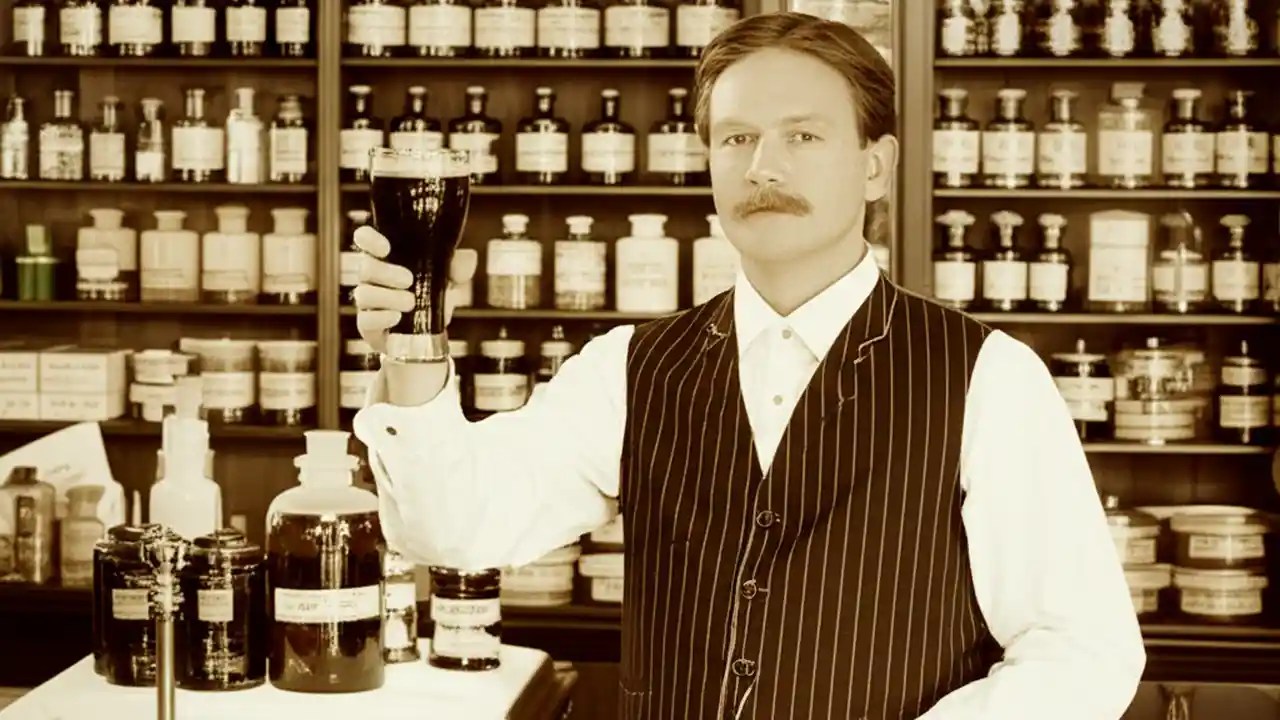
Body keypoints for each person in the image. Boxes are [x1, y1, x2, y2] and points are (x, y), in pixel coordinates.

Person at [351, 11, 1145, 720]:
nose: (764, 166)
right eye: (736, 138)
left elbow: (1081, 651)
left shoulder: (988, 377)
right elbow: (451, 530)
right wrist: (414, 347)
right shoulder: (631, 367)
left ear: (874, 166)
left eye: (803, 135)